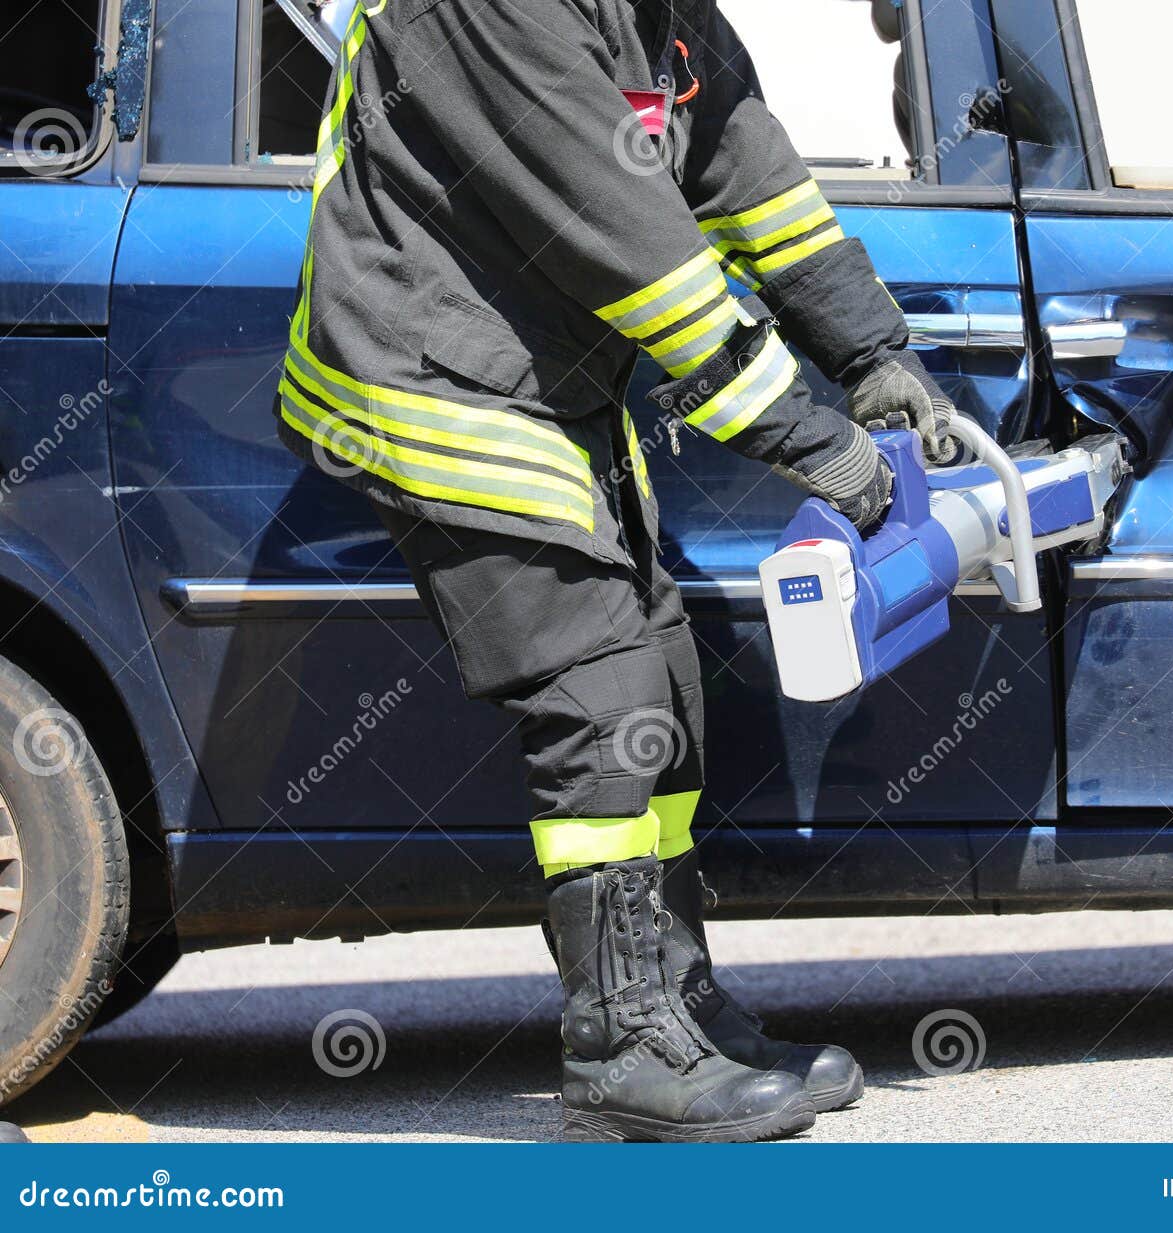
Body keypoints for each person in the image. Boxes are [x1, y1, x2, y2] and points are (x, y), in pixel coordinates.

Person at [278, 0, 955, 1142]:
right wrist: (810, 440)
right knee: (602, 698)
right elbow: (638, 248)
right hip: (430, 377)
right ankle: (618, 1048)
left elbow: (749, 176)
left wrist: (871, 354)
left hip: (545, 376)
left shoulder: (666, 10)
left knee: (667, 691)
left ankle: (677, 1007)